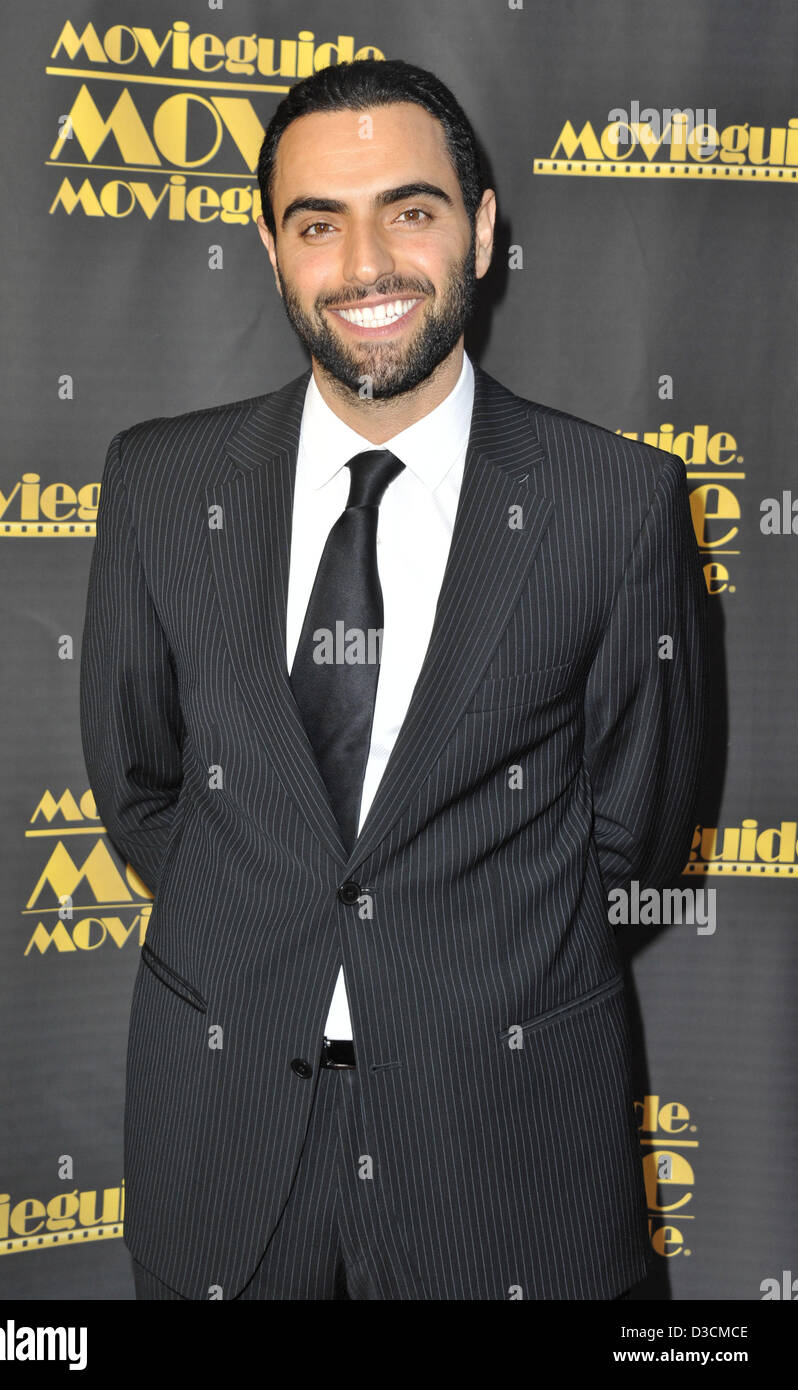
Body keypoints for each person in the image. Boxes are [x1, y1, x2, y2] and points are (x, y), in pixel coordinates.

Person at [79, 58, 709, 1301]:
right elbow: (142, 787)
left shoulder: (615, 502)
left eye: (409, 210)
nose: (365, 263)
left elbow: (640, 830)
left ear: (478, 230)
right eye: (319, 222)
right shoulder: (159, 485)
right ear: (271, 249)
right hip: (222, 1128)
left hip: (508, 1136)